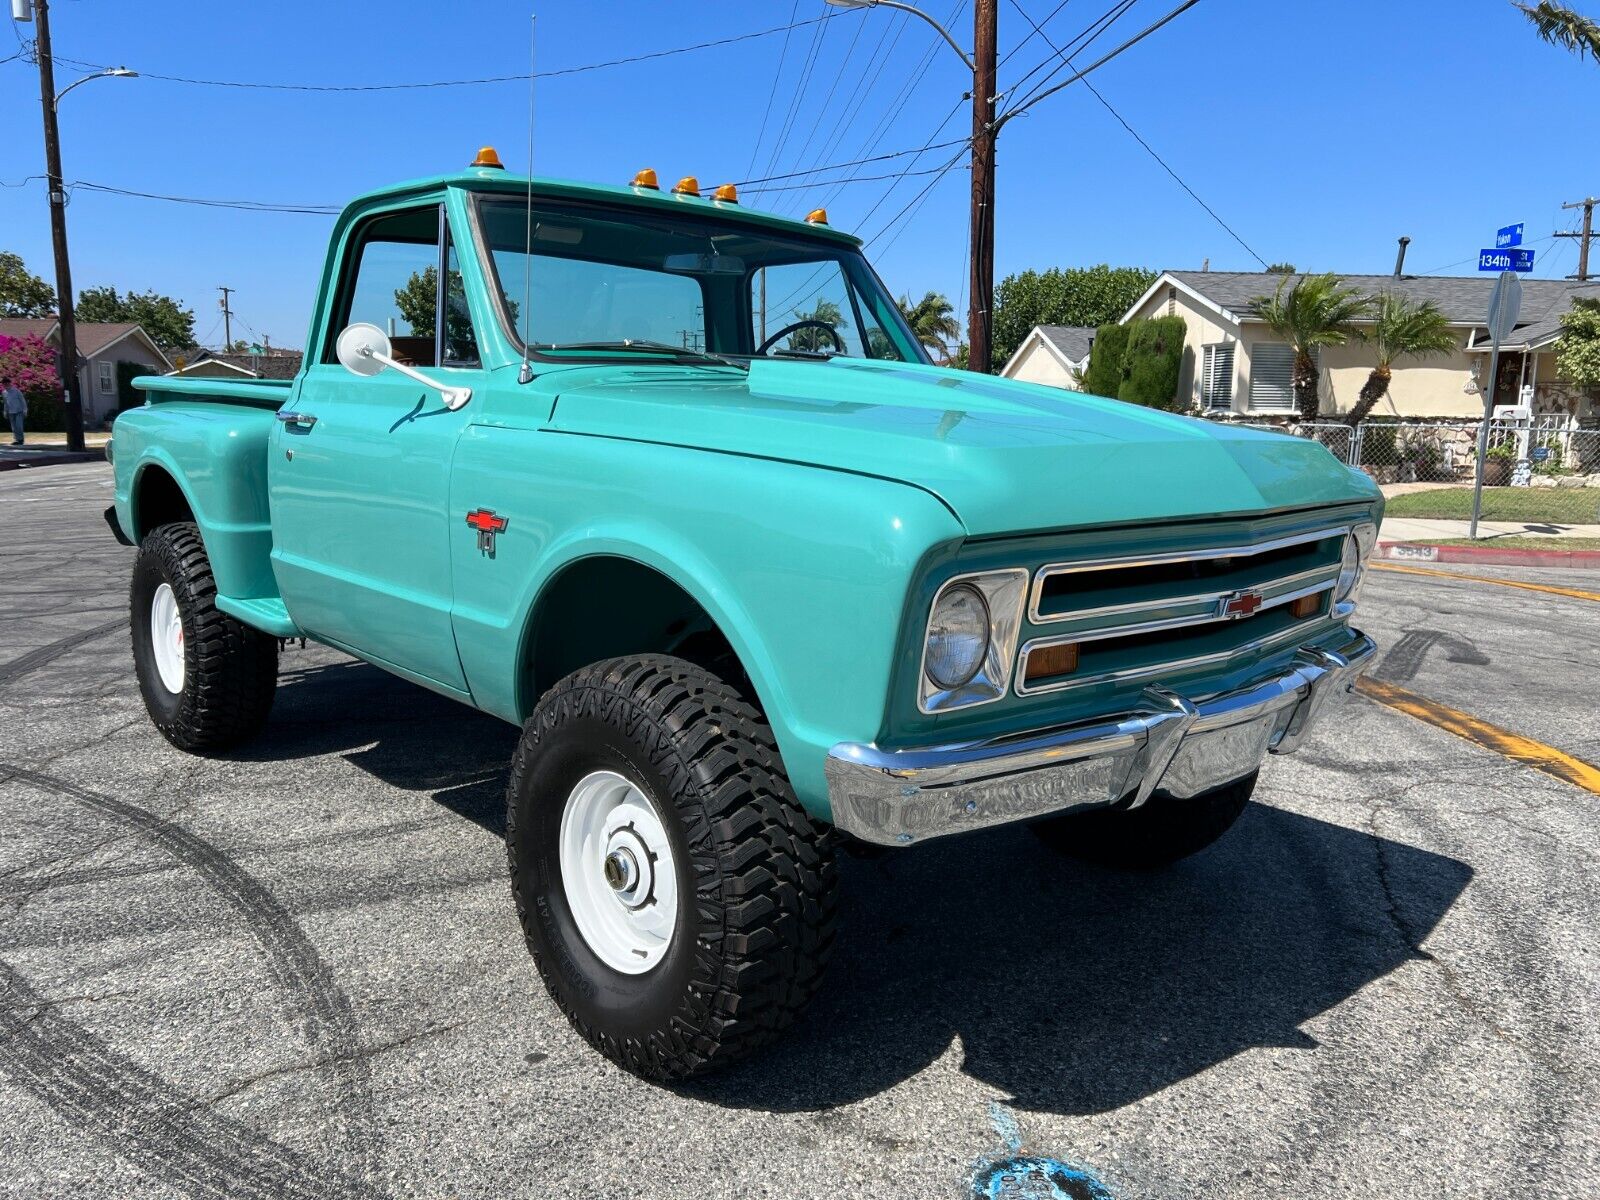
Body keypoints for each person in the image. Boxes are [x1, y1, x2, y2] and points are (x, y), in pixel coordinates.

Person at [1, 378, 25, 447]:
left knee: (19, 426)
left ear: (10, 383)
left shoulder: (16, 391)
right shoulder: (4, 392)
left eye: (7, 383)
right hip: (10, 412)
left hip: (19, 411)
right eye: (4, 384)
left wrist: (25, 410)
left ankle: (21, 439)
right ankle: (17, 440)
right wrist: (5, 412)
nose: (6, 385)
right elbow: (5, 403)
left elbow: (22, 400)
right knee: (14, 427)